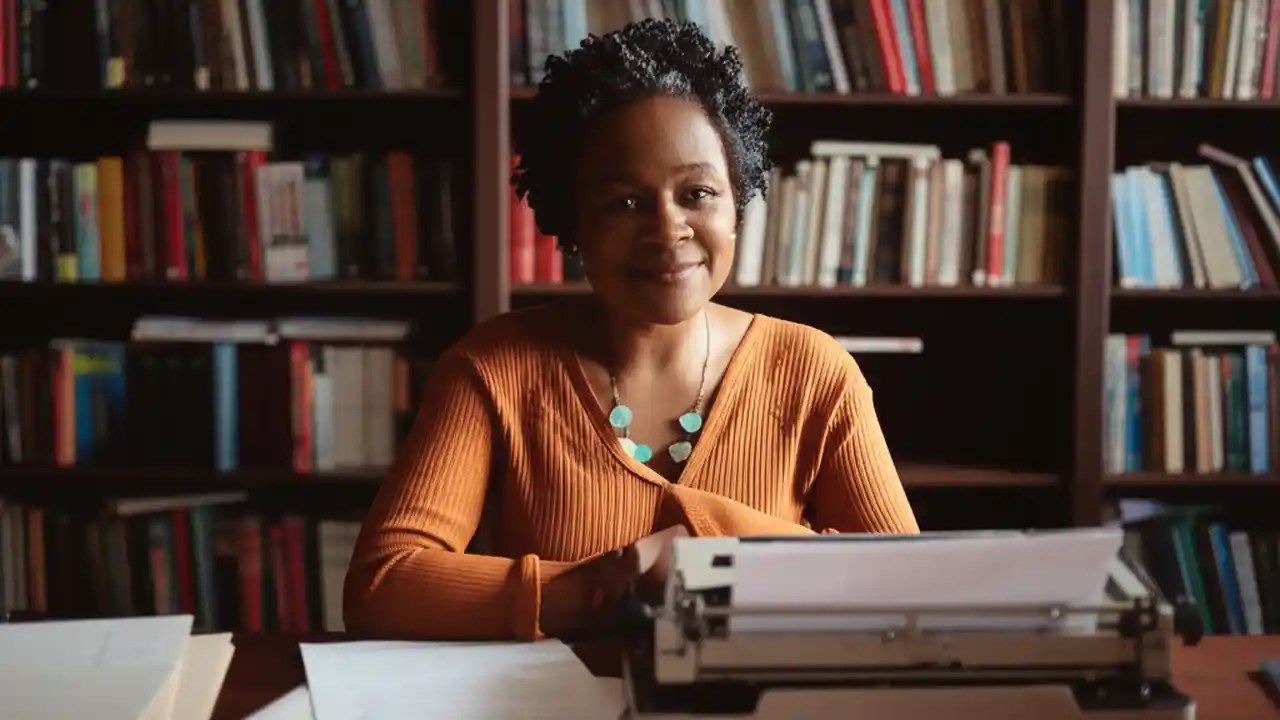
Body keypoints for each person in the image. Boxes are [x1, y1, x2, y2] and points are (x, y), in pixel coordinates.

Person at [343, 18, 918, 642]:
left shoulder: (813, 371)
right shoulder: (494, 367)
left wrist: (704, 548)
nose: (667, 229)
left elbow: (907, 586)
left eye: (697, 192)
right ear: (573, 219)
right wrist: (605, 585)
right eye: (624, 202)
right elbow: (384, 584)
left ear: (737, 203)